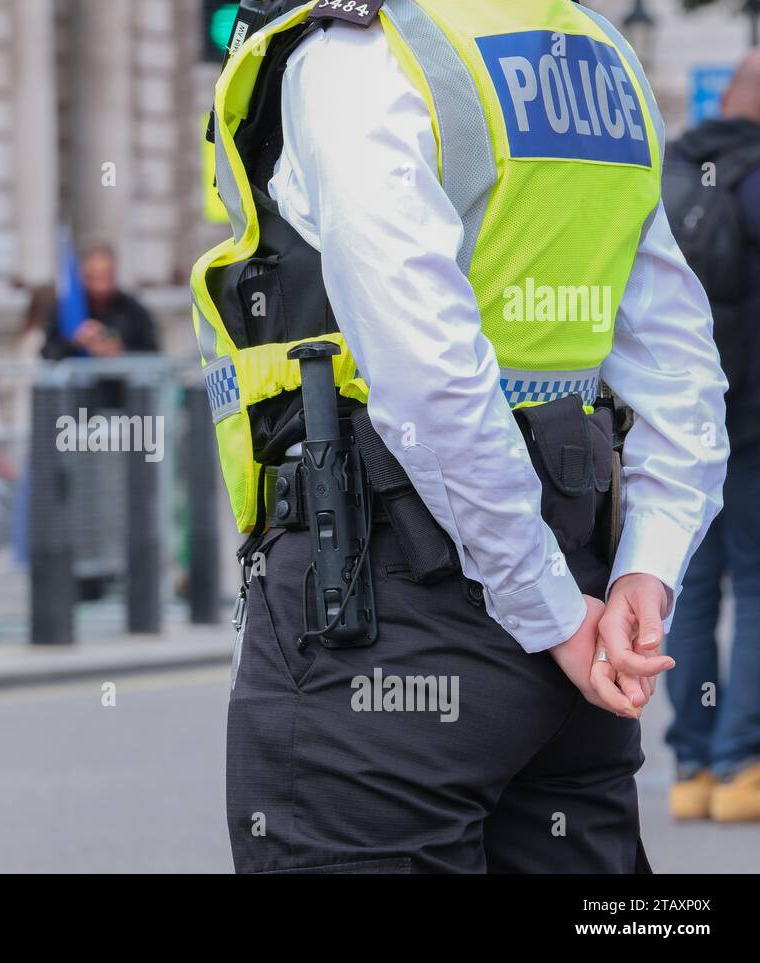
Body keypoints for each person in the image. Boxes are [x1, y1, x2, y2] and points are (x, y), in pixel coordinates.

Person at [196, 1, 728, 873]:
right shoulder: (602, 59)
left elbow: (431, 376)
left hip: (391, 598)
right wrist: (647, 568)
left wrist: (546, 607)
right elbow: (681, 367)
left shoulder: (362, 55)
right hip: (580, 595)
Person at [660, 53, 760, 823]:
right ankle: (741, 767)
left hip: (685, 420)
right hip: (755, 423)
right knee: (755, 589)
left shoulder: (676, 172)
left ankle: (690, 764)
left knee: (690, 588)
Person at [41, 244, 158, 360]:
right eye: (94, 278)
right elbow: (48, 352)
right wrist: (77, 343)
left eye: (106, 277)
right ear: (83, 277)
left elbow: (152, 352)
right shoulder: (64, 310)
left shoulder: (133, 310)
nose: (101, 287)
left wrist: (119, 350)